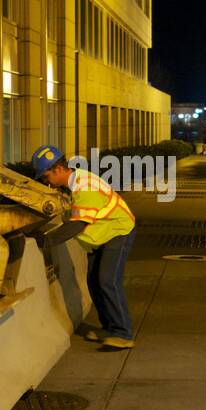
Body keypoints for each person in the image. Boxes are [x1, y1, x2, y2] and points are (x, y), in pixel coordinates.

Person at [32, 144, 136, 350]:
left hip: (118, 230)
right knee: (93, 281)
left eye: (46, 177)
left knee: (107, 281)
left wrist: (45, 240)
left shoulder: (83, 187)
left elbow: (77, 225)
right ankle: (110, 329)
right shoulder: (76, 182)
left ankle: (123, 333)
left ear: (59, 170)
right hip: (103, 234)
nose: (47, 182)